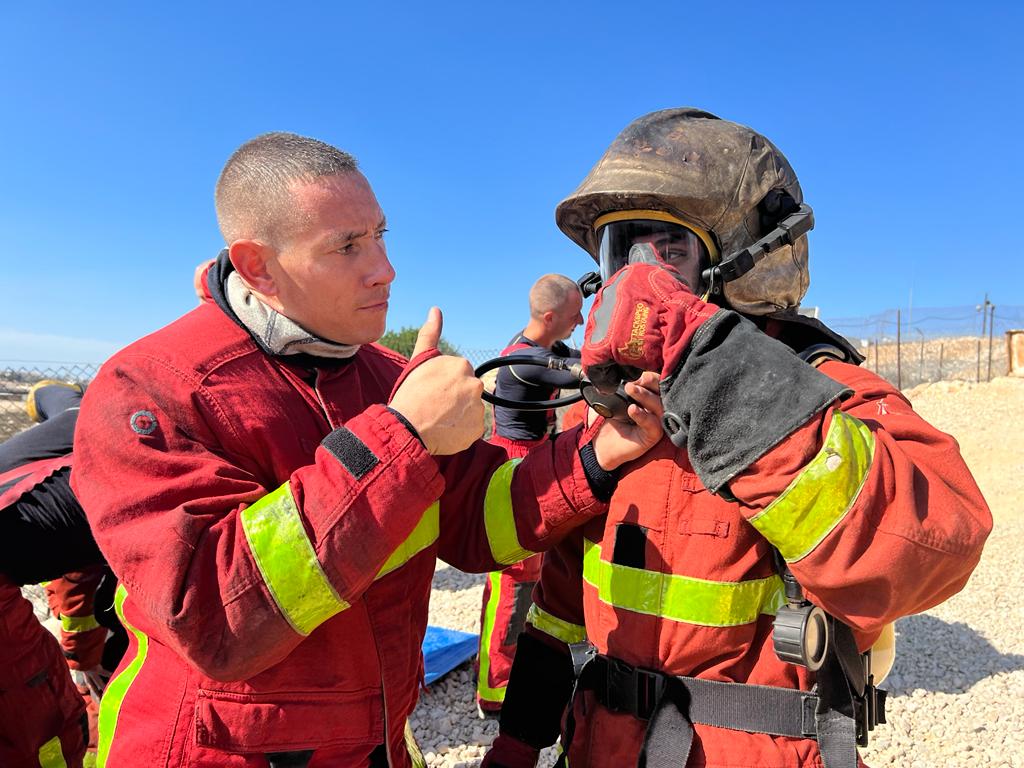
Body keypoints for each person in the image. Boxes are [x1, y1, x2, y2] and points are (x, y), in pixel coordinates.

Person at [70, 131, 666, 768]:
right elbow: (215, 618)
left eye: (380, 235)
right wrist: (403, 437)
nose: (385, 268)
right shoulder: (152, 388)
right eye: (346, 245)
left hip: (377, 742)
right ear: (258, 266)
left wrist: (600, 452)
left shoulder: (385, 376)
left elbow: (478, 518)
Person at [482, 108, 992, 768]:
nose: (640, 278)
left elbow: (935, 544)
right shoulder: (610, 410)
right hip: (602, 746)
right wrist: (519, 741)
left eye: (670, 251)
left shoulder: (820, 389)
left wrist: (720, 371)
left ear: (750, 258)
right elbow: (557, 603)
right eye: (623, 253)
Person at [476, 274, 584, 716]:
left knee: (526, 575)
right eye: (575, 314)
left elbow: (569, 352)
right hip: (515, 464)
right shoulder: (526, 360)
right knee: (514, 581)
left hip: (528, 457)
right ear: (550, 317)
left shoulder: (535, 346)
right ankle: (495, 690)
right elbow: (588, 370)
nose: (580, 321)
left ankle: (507, 667)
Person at [0, 381, 120, 768]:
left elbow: (46, 391)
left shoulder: (79, 410)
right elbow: (81, 577)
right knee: (31, 730)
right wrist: (83, 654)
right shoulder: (153, 483)